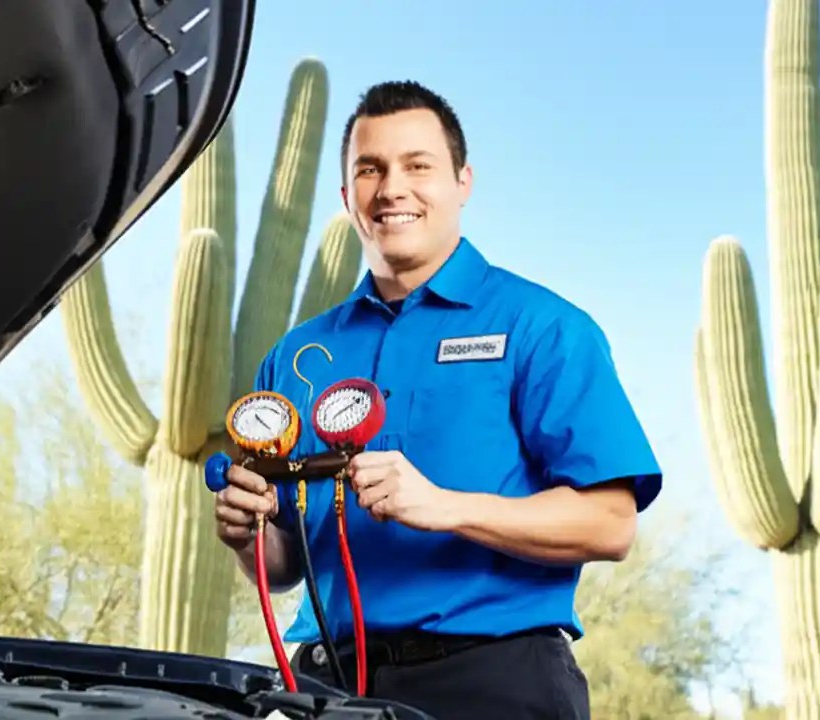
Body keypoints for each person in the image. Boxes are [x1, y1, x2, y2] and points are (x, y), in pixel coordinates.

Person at [210, 79, 662, 720]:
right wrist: (246, 533)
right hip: (327, 687)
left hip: (494, 683)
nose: (392, 188)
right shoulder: (297, 355)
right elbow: (282, 567)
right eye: (371, 169)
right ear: (348, 197)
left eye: (417, 166)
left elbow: (611, 524)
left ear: (461, 182)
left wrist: (445, 507)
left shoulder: (543, 327)